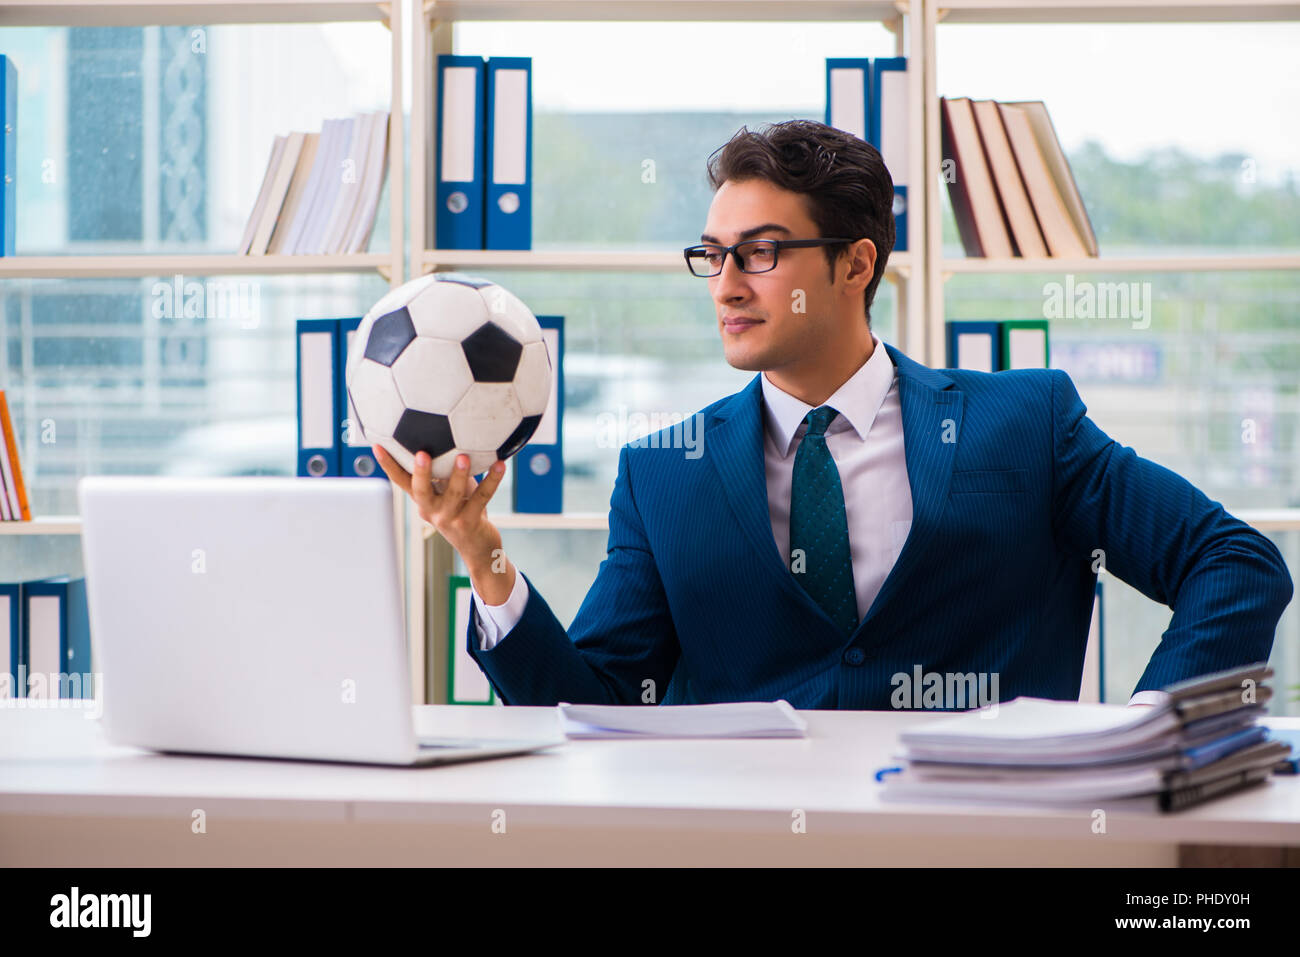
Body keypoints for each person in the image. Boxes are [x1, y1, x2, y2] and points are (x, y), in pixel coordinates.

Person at [374, 119, 1292, 709]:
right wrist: (478, 548)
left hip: (989, 846)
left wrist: (1146, 734)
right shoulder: (664, 473)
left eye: (760, 254)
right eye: (713, 255)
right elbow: (594, 703)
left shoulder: (1026, 422)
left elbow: (1237, 562)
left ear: (855, 265)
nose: (726, 285)